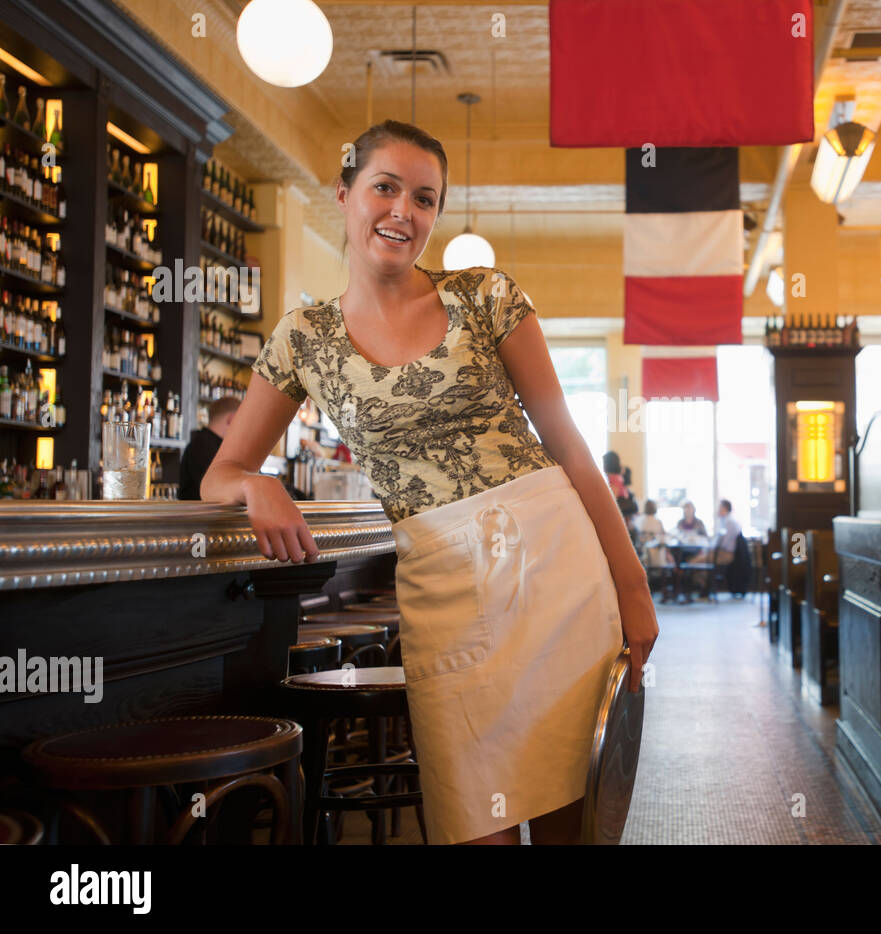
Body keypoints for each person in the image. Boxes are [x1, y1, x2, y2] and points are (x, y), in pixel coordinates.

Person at [200, 120, 658, 846]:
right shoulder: (302, 338)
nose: (403, 212)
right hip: (438, 584)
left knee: (577, 816)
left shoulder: (486, 296)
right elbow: (219, 473)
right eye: (385, 187)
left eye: (425, 198)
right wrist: (258, 485)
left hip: (554, 566)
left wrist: (633, 587)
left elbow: (569, 445)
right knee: (473, 816)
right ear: (345, 193)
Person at [178, 396, 241, 500]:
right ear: (231, 419)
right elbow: (219, 489)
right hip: (199, 515)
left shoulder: (210, 443)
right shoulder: (202, 446)